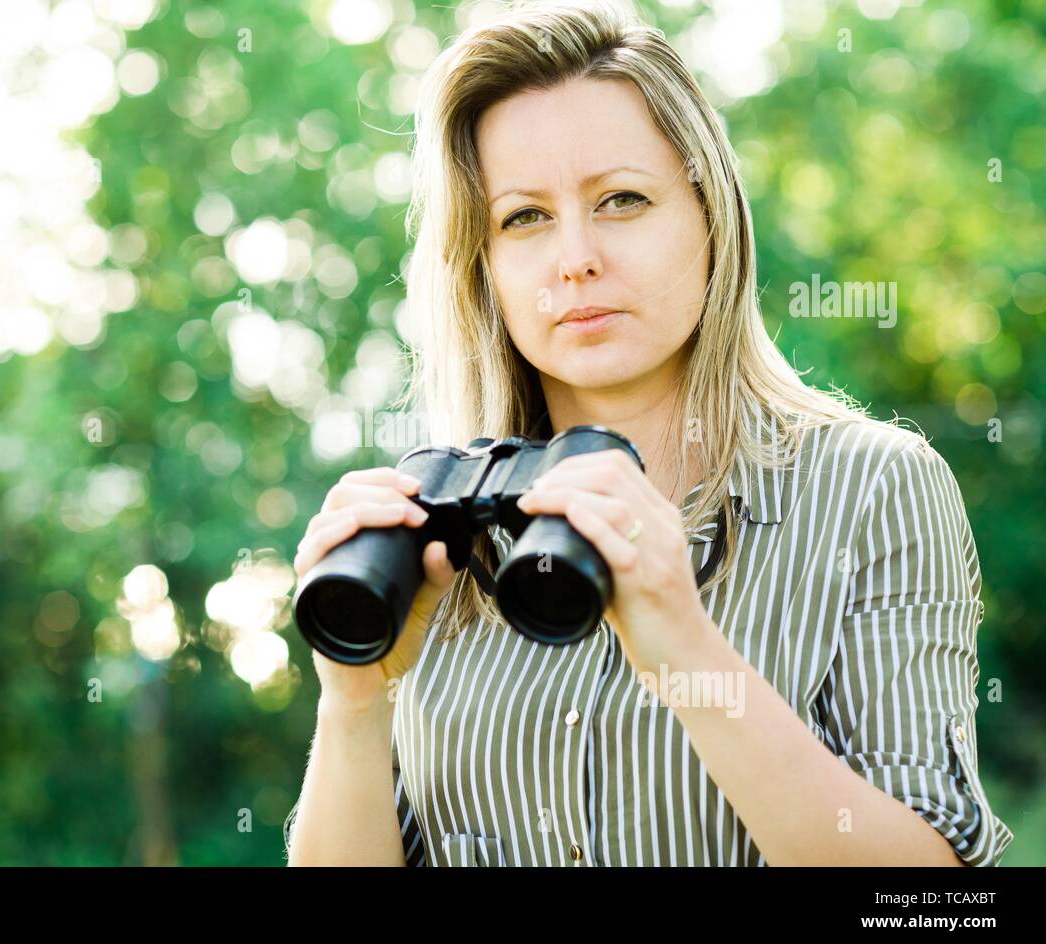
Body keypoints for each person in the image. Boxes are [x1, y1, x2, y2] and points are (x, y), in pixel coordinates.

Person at [283, 0, 1014, 866]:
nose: (575, 257)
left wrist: (684, 648)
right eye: (524, 217)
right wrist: (354, 703)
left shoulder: (870, 491)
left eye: (622, 200)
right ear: (484, 267)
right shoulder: (433, 547)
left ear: (710, 218)